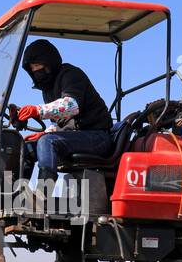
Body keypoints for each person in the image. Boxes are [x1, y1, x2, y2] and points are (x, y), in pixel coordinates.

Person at [15, 39, 114, 185]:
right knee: (28, 148)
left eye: (37, 65)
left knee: (47, 142)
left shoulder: (71, 74)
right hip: (78, 136)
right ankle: (14, 196)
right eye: (32, 68)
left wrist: (37, 110)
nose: (35, 71)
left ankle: (43, 196)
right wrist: (46, 132)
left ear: (48, 62)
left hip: (97, 136)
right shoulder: (48, 88)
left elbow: (71, 105)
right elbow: (62, 123)